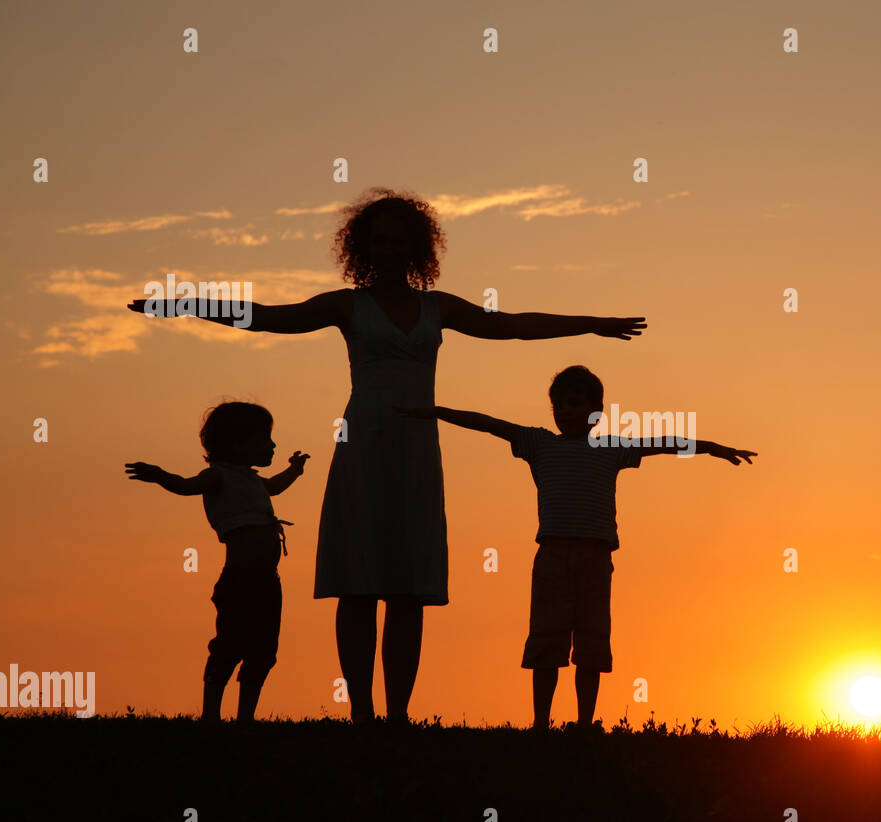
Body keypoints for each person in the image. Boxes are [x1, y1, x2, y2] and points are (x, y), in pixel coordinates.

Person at [127, 187, 646, 724]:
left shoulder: (437, 307)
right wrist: (181, 304)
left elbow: (511, 325)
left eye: (401, 240)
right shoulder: (345, 305)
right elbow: (267, 317)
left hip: (416, 453)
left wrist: (589, 324)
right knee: (357, 585)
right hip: (363, 449)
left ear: (417, 247)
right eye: (381, 241)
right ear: (364, 247)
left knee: (407, 590)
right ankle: (363, 713)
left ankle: (396, 714)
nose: (391, 249)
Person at [395, 365, 755, 731]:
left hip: (597, 559)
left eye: (574, 403)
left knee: (592, 642)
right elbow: (489, 423)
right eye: (558, 405)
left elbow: (664, 443)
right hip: (552, 557)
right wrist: (436, 412)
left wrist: (712, 448)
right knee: (546, 641)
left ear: (596, 411)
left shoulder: (612, 448)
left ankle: (584, 723)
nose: (564, 410)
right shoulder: (539, 443)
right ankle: (540, 723)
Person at [124, 401, 308, 721]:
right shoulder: (217, 477)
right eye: (265, 438)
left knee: (263, 651)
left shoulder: (253, 480)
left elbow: (274, 487)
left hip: (268, 582)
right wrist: (159, 475)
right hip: (239, 581)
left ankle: (245, 717)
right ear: (238, 443)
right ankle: (211, 714)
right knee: (229, 645)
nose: (273, 445)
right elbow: (184, 486)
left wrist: (294, 470)